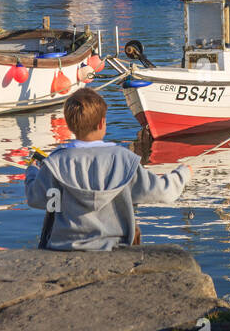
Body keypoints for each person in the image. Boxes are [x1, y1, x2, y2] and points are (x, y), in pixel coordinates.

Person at [25, 87, 193, 250]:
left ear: (69, 125)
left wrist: (32, 172)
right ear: (102, 123)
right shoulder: (123, 159)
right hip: (114, 247)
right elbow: (163, 192)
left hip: (63, 247)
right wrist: (183, 173)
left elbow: (36, 199)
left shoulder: (55, 162)